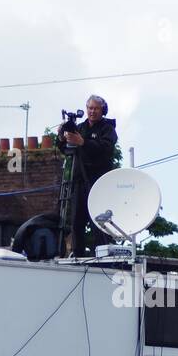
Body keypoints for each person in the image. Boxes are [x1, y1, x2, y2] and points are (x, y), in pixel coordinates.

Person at [60, 94, 118, 258]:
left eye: (96, 108)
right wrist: (62, 137)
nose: (92, 112)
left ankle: (101, 255)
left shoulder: (107, 128)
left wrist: (83, 142)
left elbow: (105, 148)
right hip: (79, 181)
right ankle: (77, 254)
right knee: (77, 221)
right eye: (90, 108)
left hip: (99, 183)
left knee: (98, 221)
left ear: (102, 110)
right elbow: (66, 149)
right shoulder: (81, 127)